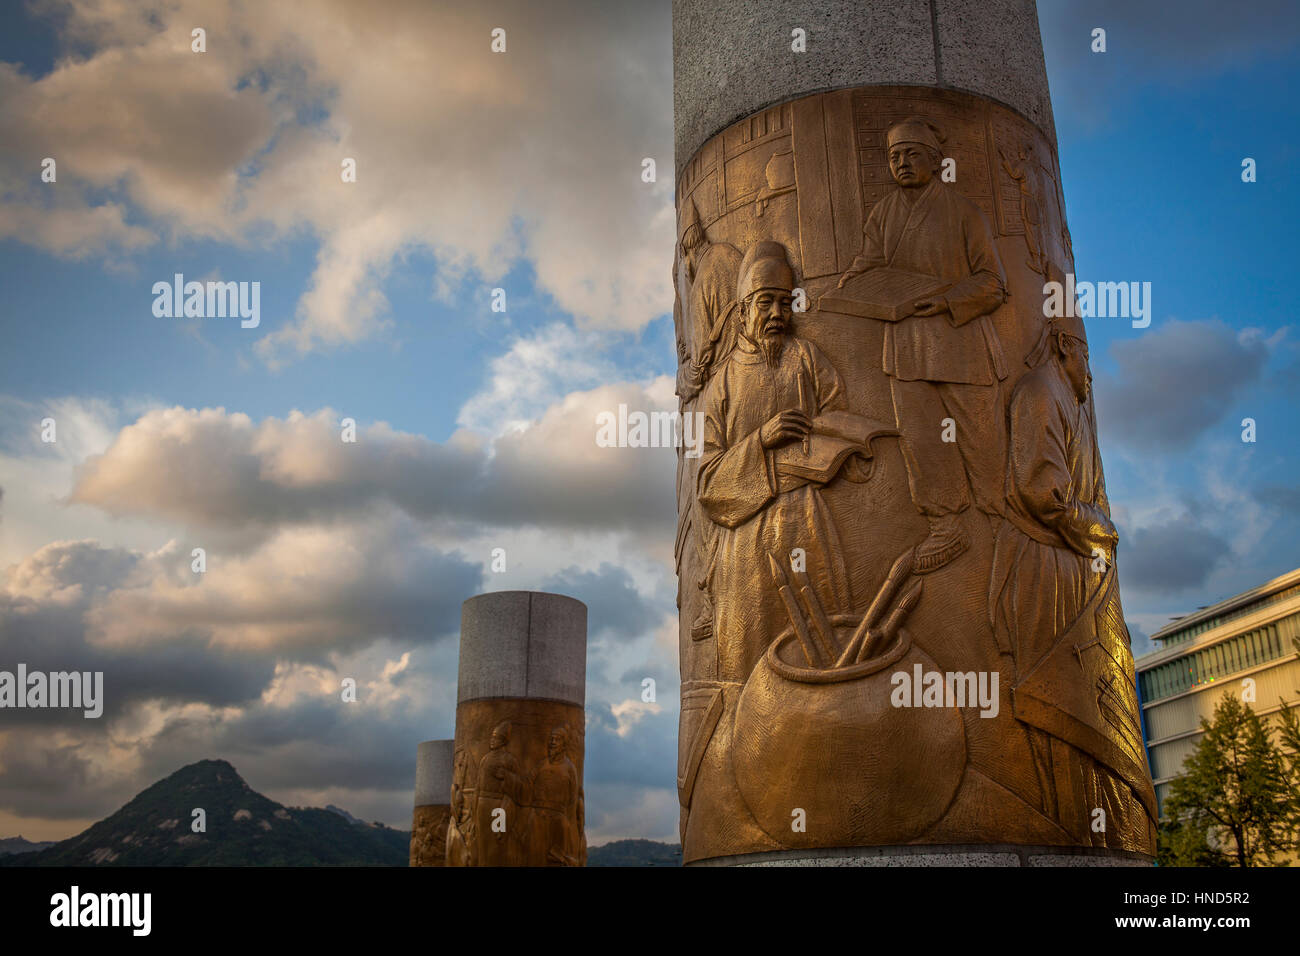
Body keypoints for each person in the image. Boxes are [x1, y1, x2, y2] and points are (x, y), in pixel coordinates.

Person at [988, 311, 1154, 847]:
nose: (1092, 370)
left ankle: (1083, 823)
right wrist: (1100, 528)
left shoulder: (1073, 404)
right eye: (1085, 354)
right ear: (1063, 346)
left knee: (1081, 705)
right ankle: (1060, 818)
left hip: (1071, 569)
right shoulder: (1040, 393)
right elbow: (1044, 492)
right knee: (1053, 703)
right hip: (1043, 572)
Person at [836, 117, 1009, 573]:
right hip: (907, 348)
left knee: (981, 439)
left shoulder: (964, 213)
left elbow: (994, 283)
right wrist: (852, 283)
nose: (902, 163)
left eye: (912, 154)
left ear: (935, 161)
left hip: (961, 345)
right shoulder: (884, 214)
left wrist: (948, 298)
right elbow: (869, 263)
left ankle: (1001, 521)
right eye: (894, 157)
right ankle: (945, 526)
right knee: (922, 440)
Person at [697, 241, 855, 681]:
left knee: (823, 646)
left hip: (807, 522)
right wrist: (761, 440)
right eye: (765, 303)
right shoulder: (724, 381)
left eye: (785, 303)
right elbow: (707, 482)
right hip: (747, 539)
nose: (777, 314)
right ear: (744, 310)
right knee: (751, 651)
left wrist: (845, 445)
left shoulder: (807, 359)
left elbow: (839, 413)